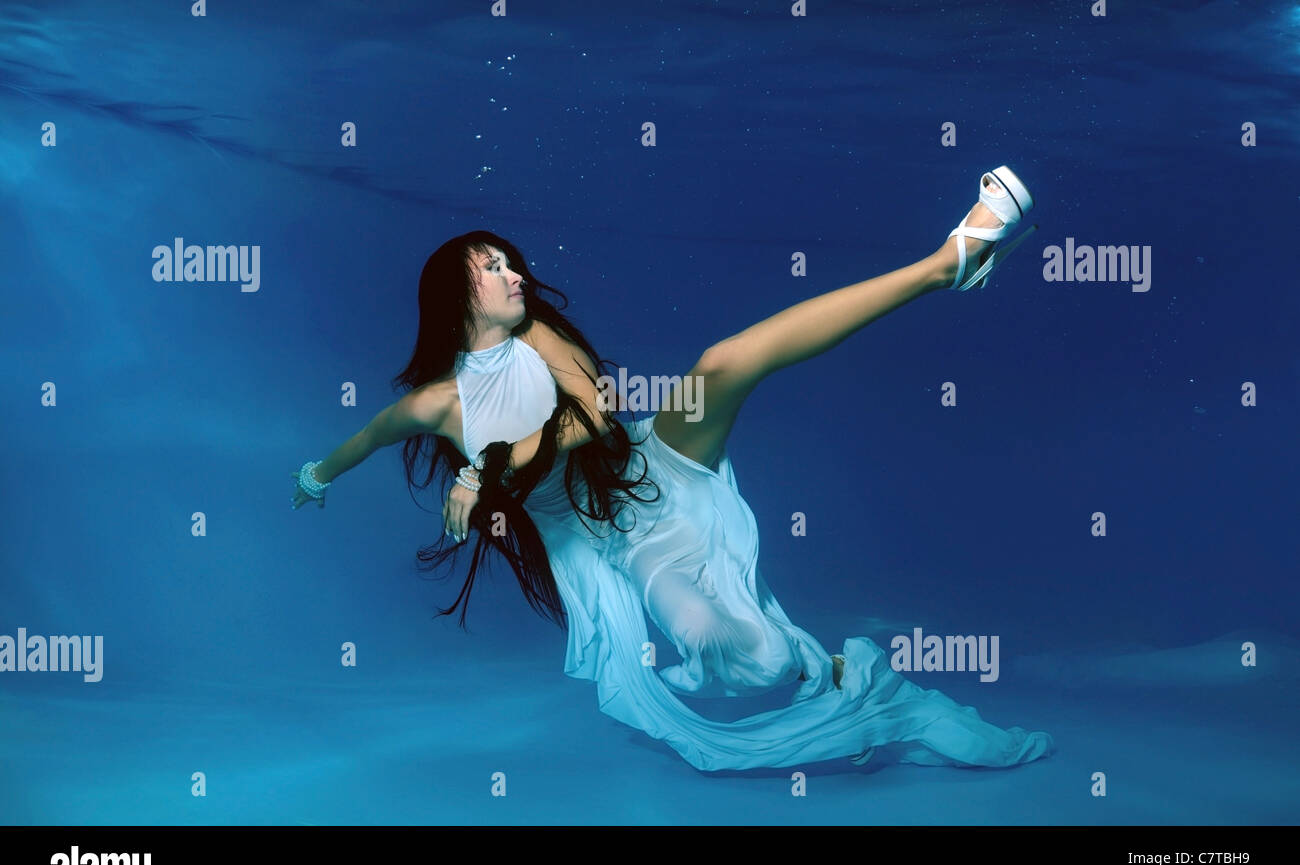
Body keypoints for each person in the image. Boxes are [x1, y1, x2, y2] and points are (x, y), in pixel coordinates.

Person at [290, 166, 1052, 772]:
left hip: (649, 470)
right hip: (613, 545)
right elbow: (364, 439)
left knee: (722, 364)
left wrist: (487, 466)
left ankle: (950, 261)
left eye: (509, 262)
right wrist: (316, 477)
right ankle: (836, 679)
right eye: (492, 268)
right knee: (745, 660)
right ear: (458, 296)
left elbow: (593, 412)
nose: (515, 273)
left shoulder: (540, 340)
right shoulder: (432, 405)